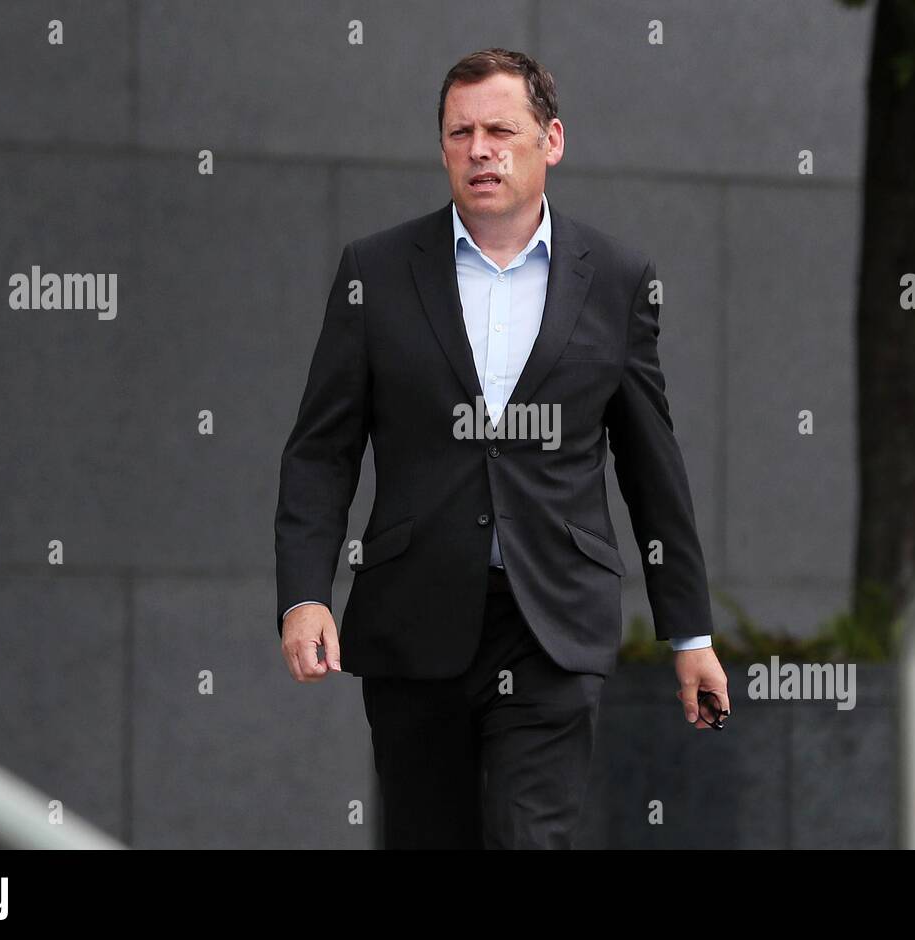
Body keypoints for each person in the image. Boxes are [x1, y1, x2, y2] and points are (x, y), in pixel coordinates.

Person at [275, 48, 729, 849]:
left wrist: (688, 633)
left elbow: (651, 462)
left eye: (500, 129)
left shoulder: (617, 279)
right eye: (461, 132)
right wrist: (305, 593)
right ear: (443, 148)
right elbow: (323, 449)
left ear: (551, 140)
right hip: (415, 619)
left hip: (553, 616)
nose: (480, 149)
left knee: (531, 836)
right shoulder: (374, 272)